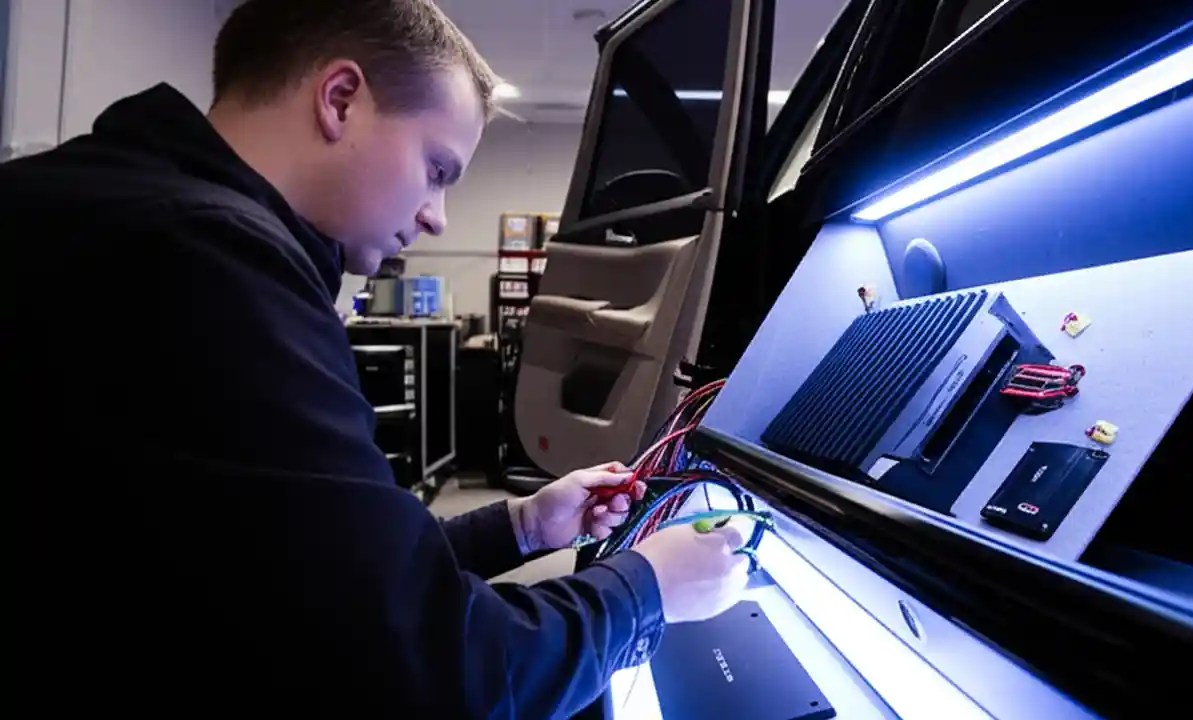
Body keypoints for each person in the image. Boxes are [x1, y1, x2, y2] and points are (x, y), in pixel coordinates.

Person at [3, 0, 747, 716]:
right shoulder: (206, 265)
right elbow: (432, 676)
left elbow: (326, 568)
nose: (437, 217)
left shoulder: (108, 206)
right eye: (438, 169)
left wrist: (521, 526)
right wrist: (647, 588)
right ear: (340, 100)